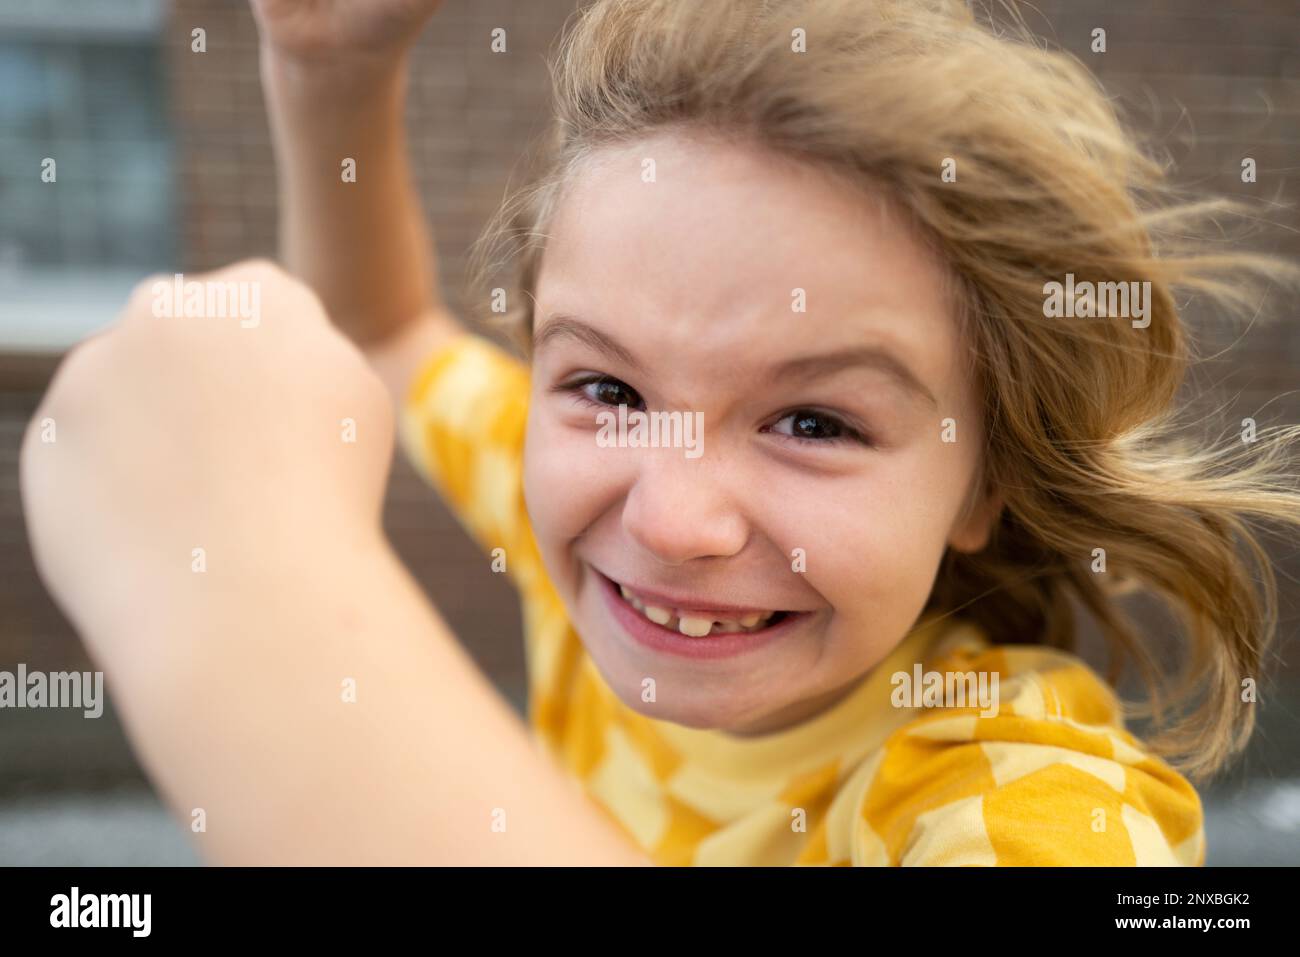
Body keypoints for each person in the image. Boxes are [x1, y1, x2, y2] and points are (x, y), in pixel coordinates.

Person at [21, 0, 1300, 865]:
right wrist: (326, 74)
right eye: (609, 389)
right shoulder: (567, 533)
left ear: (981, 488)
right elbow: (385, 330)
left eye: (814, 420)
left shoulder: (1019, 803)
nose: (668, 521)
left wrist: (238, 596)